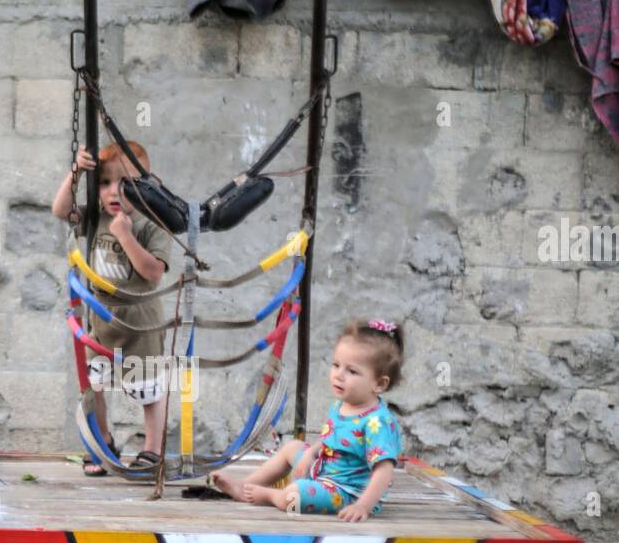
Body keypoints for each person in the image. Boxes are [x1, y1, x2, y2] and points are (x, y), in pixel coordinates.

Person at [52, 140, 172, 476]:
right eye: (105, 182)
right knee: (95, 384)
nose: (113, 191)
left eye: (126, 183)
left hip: (140, 323)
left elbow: (153, 273)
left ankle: (152, 449)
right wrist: (76, 172)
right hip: (102, 321)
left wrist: (126, 237)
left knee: (148, 388)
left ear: (145, 186)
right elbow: (61, 210)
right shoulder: (96, 218)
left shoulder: (150, 224)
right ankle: (103, 440)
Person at [213, 319, 405, 521]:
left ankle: (271, 496)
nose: (338, 375)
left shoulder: (378, 422)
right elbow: (330, 440)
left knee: (293, 496)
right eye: (336, 365)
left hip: (346, 493)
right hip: (324, 470)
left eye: (352, 371)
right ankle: (246, 485)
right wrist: (311, 453)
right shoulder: (341, 406)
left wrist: (363, 506)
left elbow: (384, 470)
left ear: (380, 384)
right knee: (291, 447)